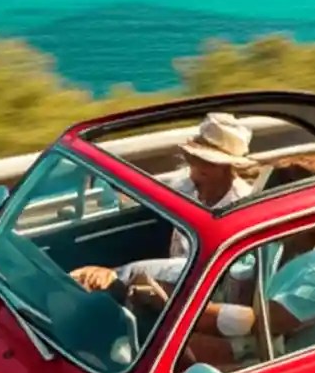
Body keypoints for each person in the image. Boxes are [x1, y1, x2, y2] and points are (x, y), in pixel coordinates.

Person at [131, 162, 315, 370]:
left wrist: (169, 302)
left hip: (278, 369)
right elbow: (238, 289)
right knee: (147, 334)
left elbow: (255, 323)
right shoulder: (278, 245)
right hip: (253, 346)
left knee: (154, 350)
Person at [70, 112, 257, 291]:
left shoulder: (241, 206)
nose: (194, 168)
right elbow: (148, 189)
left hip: (202, 291)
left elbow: (206, 266)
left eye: (205, 163)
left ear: (224, 168)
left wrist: (122, 274)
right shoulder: (186, 183)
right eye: (194, 159)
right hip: (169, 282)